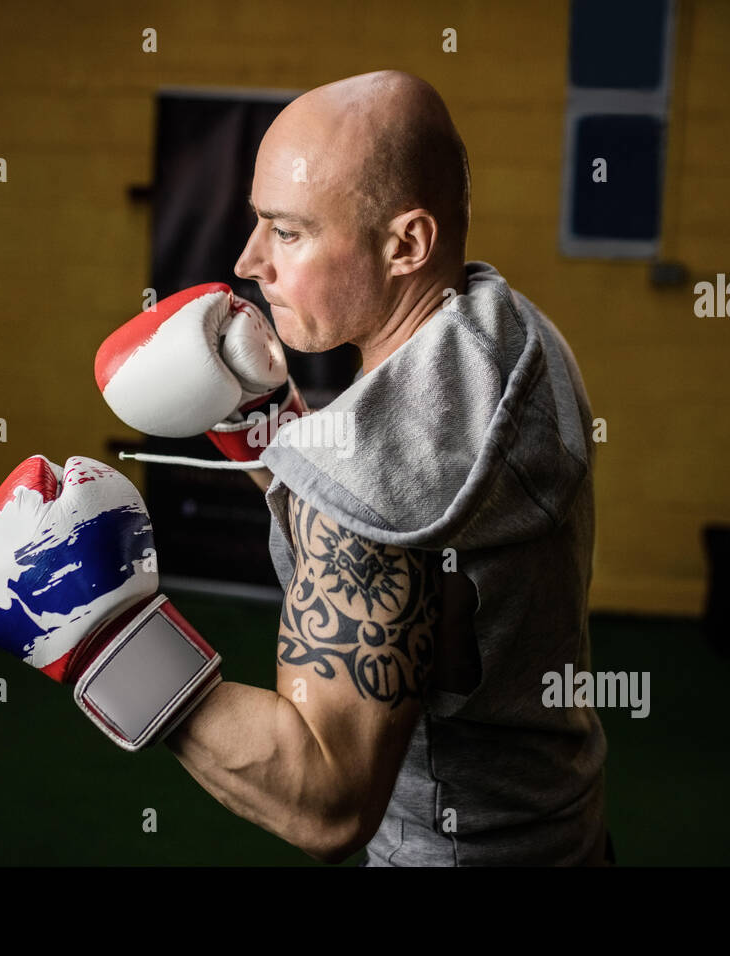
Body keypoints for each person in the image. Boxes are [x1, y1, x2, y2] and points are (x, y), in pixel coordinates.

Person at [162, 69, 609, 865]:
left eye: (288, 232)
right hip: (564, 832)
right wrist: (274, 433)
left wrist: (103, 642)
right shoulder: (516, 337)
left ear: (407, 243)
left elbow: (325, 801)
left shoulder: (371, 473)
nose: (248, 261)